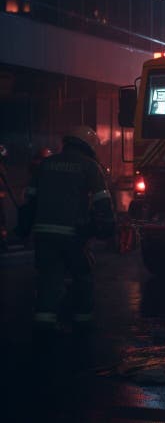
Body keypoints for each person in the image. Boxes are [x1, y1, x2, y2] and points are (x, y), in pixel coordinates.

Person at [18, 126, 116, 334]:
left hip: (44, 234)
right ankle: (82, 324)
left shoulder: (45, 165)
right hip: (74, 234)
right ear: (89, 147)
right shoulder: (90, 167)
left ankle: (44, 325)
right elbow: (102, 201)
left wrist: (23, 230)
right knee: (82, 276)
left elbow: (30, 202)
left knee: (48, 279)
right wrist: (107, 226)